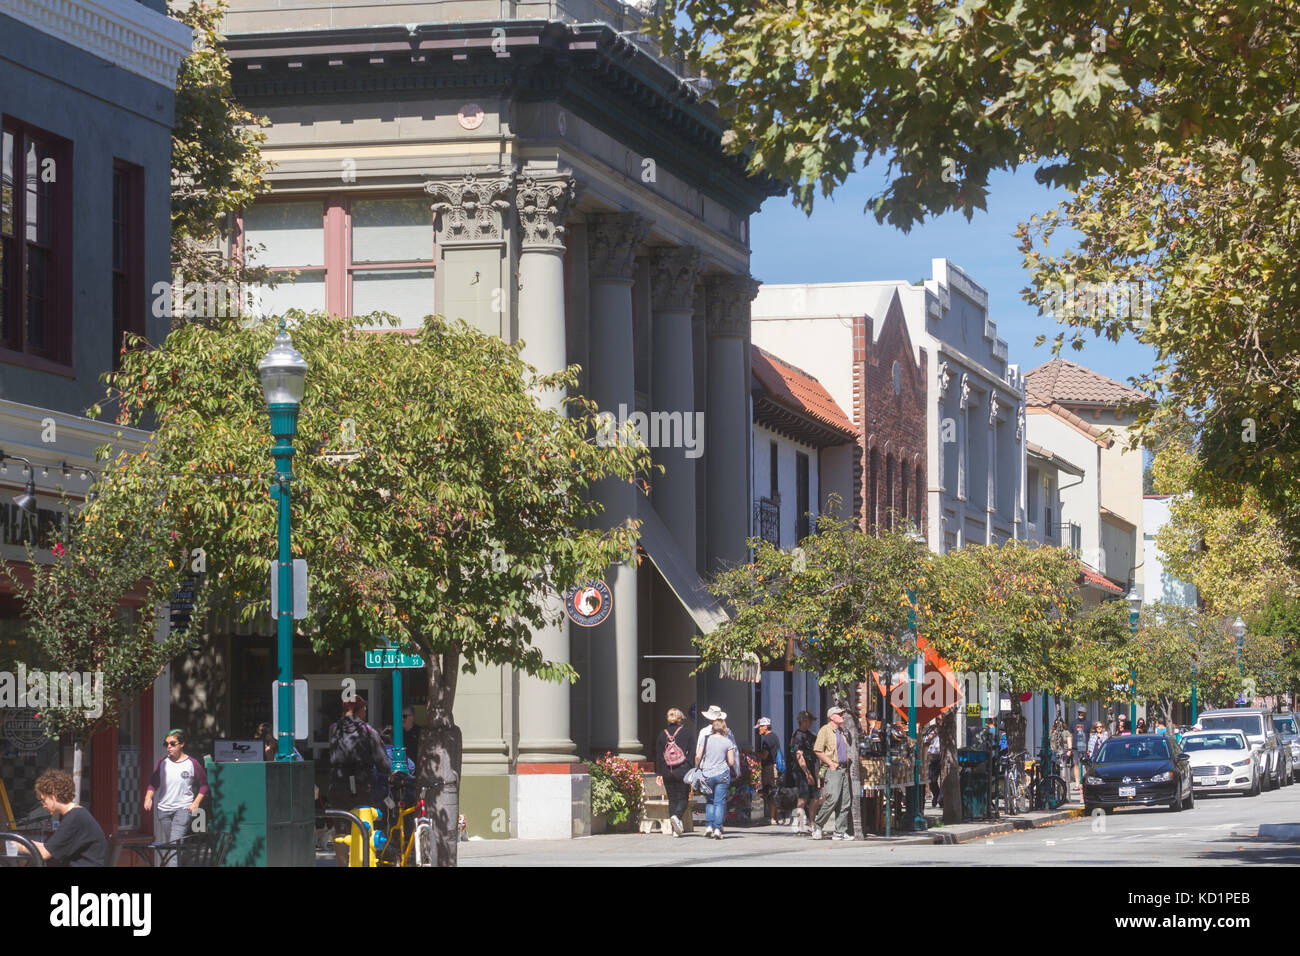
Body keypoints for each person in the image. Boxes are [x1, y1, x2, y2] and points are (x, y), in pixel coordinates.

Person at [328, 695, 391, 866]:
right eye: (364, 708)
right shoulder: (368, 731)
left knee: (341, 828)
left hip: (337, 783)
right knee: (364, 826)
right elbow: (383, 763)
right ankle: (363, 862)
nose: (365, 711)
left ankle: (344, 864)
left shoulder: (333, 728)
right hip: (361, 784)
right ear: (359, 710)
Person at [144, 728, 209, 866]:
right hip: (164, 811)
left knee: (173, 845)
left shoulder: (192, 763)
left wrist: (196, 803)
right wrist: (148, 797)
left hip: (183, 809)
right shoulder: (163, 763)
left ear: (182, 744)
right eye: (166, 744)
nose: (169, 747)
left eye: (173, 744)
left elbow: (204, 785)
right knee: (174, 846)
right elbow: (153, 783)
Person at [17, 770, 107, 867]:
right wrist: (22, 841)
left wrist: (19, 846)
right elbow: (50, 847)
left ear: (53, 796)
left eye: (43, 800)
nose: (43, 805)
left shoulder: (74, 818)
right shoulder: (77, 814)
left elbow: (44, 853)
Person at [811, 706, 854, 841]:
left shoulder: (841, 731)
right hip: (833, 769)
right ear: (832, 717)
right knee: (832, 799)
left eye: (842, 713)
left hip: (843, 769)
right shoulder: (825, 730)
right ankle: (818, 826)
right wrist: (830, 763)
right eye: (839, 714)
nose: (842, 716)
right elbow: (817, 750)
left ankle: (840, 831)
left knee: (845, 802)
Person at [695, 714, 736, 840]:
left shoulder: (705, 739)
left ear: (713, 728)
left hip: (707, 774)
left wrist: (697, 768)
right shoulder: (727, 742)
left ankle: (709, 826)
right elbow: (731, 762)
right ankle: (718, 829)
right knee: (719, 802)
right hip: (722, 774)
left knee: (710, 801)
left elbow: (698, 756)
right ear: (724, 728)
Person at [654, 707, 692, 836]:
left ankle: (674, 829)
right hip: (682, 769)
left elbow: (659, 755)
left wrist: (659, 773)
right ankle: (677, 817)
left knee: (672, 799)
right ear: (680, 719)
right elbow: (692, 752)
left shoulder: (661, 734)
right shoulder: (687, 733)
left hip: (666, 770)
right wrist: (689, 766)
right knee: (684, 798)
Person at [788, 710, 820, 832]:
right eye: (810, 721)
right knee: (803, 798)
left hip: (811, 769)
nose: (811, 723)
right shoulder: (797, 736)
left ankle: (812, 824)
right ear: (804, 721)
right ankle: (798, 824)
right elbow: (799, 756)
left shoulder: (810, 735)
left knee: (815, 798)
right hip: (802, 772)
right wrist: (807, 773)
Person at [754, 717, 783, 825]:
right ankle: (775, 817)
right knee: (774, 791)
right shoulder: (774, 736)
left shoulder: (766, 739)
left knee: (770, 792)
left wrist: (753, 753)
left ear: (765, 727)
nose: (759, 730)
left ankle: (772, 818)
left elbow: (765, 756)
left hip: (769, 768)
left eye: (760, 727)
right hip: (775, 767)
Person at [925, 723, 942, 808]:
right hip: (930, 757)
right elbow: (925, 742)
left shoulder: (940, 737)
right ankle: (937, 795)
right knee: (930, 780)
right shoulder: (929, 735)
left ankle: (938, 797)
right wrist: (930, 737)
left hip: (938, 757)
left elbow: (939, 748)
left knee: (935, 779)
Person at [1071, 709, 1089, 787]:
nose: (1080, 714)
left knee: (1085, 764)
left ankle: (1084, 782)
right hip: (1075, 747)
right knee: (1076, 764)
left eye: (1081, 713)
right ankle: (1077, 782)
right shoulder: (1073, 723)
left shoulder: (1088, 723)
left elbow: (1091, 735)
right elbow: (1070, 735)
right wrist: (1070, 747)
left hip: (1085, 747)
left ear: (1085, 714)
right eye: (1079, 712)